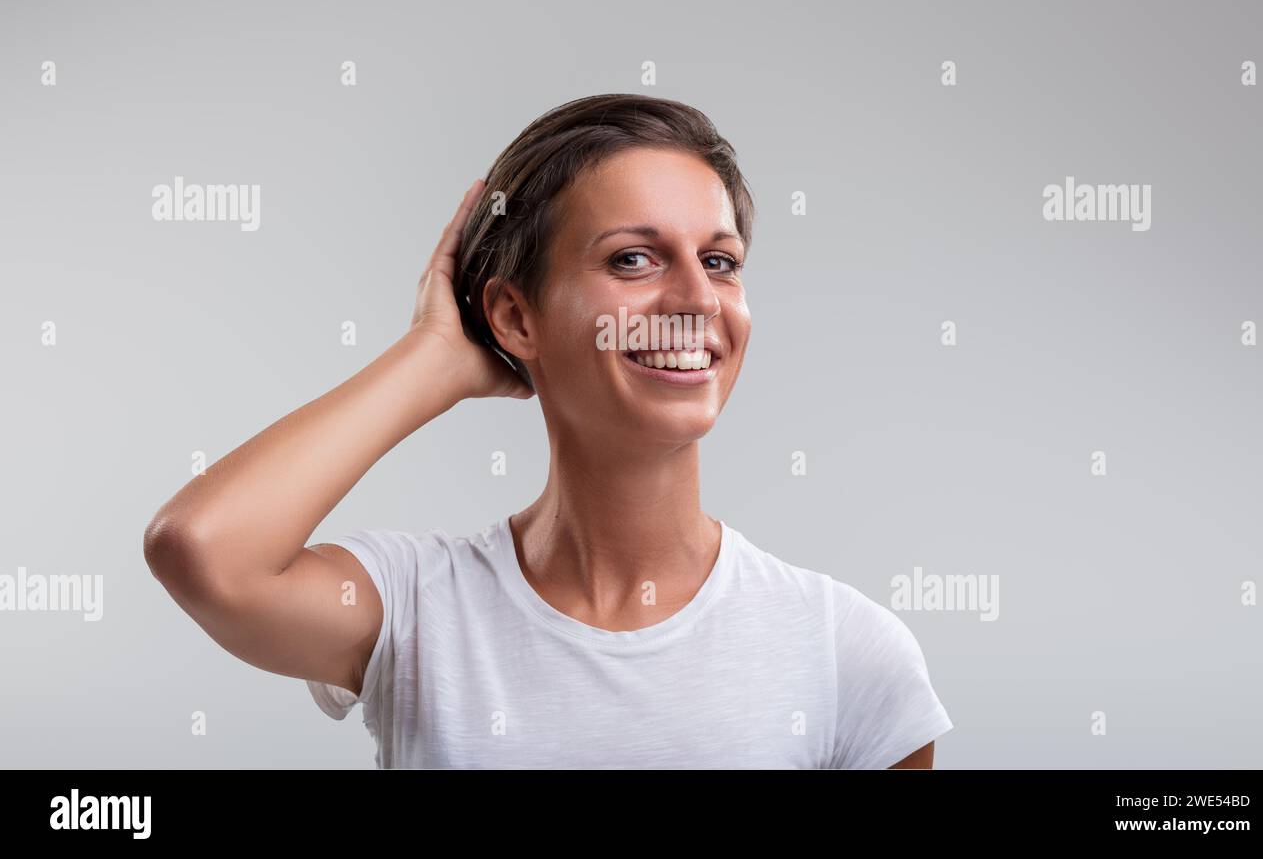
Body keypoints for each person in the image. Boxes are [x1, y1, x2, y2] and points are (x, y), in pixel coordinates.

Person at [143, 93, 954, 768]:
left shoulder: (846, 651)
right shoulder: (417, 609)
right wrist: (431, 359)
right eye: (634, 259)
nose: (697, 301)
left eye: (719, 261)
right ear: (515, 315)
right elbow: (202, 551)